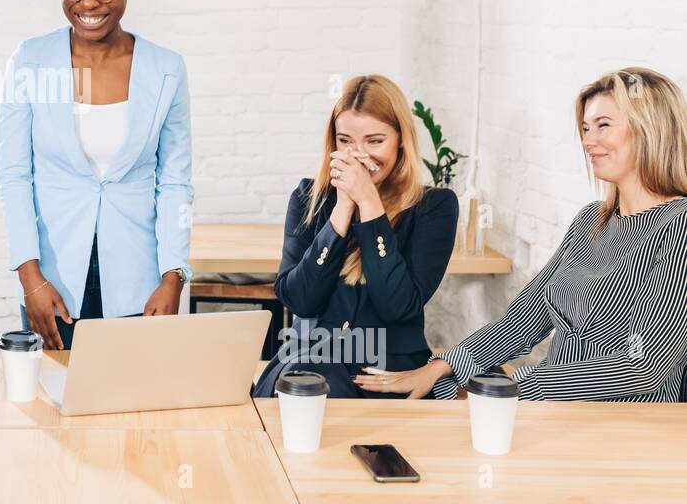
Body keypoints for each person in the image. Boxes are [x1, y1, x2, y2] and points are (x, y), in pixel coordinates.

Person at [357, 67, 687, 402]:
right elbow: (525, 316)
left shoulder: (679, 226)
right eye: (586, 128)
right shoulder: (591, 220)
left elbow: (644, 368)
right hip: (553, 407)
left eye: (604, 125)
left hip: (623, 422)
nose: (588, 141)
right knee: (434, 393)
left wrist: (513, 387)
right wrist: (444, 366)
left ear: (651, 128)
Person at [0, 0, 193, 349]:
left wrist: (173, 275)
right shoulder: (31, 61)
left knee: (137, 406)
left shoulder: (166, 70)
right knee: (56, 406)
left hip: (141, 282)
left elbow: (175, 183)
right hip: (53, 281)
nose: (88, 3)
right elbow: (14, 178)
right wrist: (30, 279)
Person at [252, 75, 458, 398]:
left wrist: (370, 205)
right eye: (345, 141)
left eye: (375, 141)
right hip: (312, 360)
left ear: (401, 139)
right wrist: (342, 210)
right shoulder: (309, 198)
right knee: (312, 391)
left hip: (388, 371)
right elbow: (298, 299)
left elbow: (398, 306)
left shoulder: (434, 208)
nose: (359, 155)